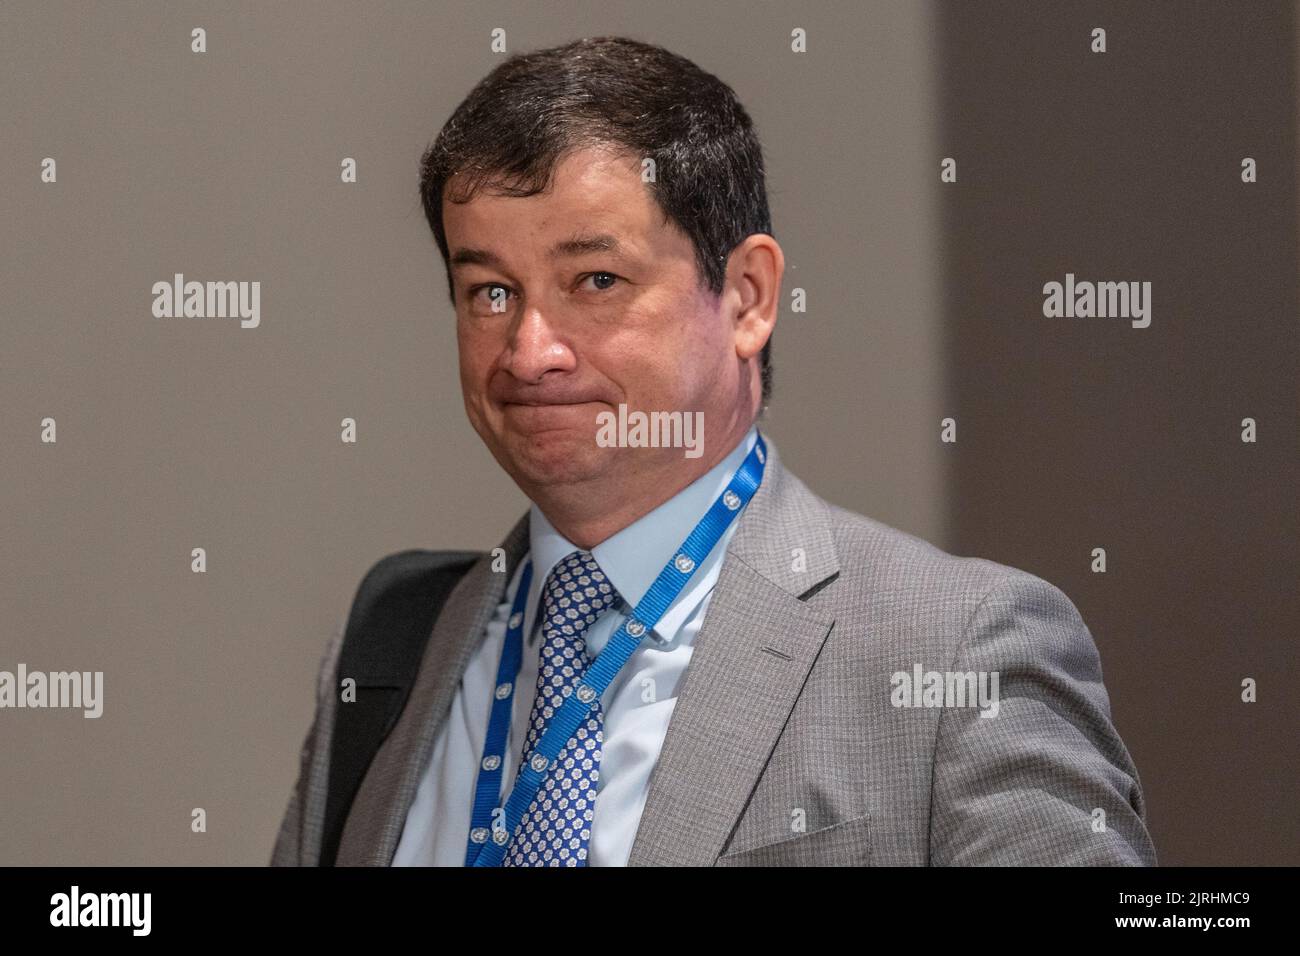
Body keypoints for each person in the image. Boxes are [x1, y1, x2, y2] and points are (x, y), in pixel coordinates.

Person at [271, 35, 1156, 866]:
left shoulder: (957, 650)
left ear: (747, 297)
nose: (529, 349)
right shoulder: (392, 640)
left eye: (596, 281)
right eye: (491, 291)